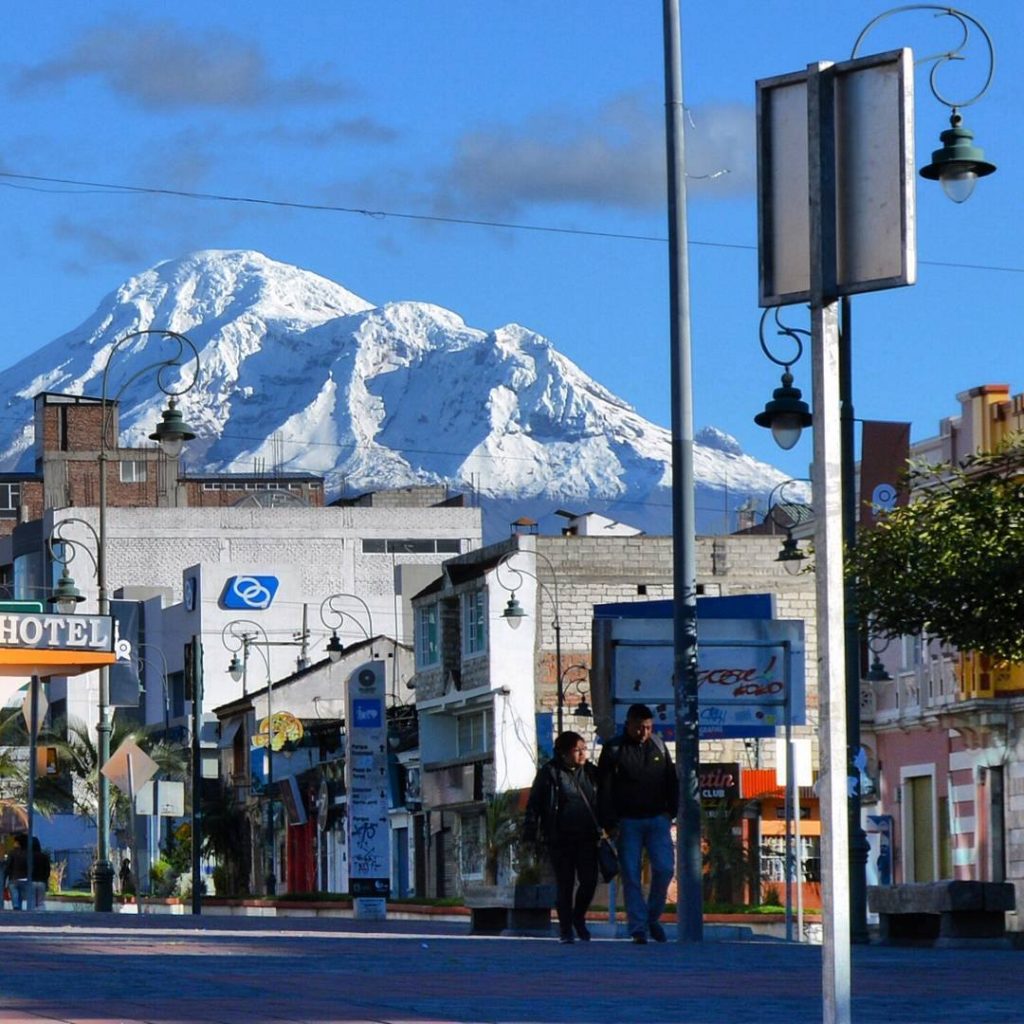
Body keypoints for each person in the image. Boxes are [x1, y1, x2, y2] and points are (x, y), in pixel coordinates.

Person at [597, 703, 678, 944]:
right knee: (631, 875)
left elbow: (671, 781)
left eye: (648, 727)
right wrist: (610, 823)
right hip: (627, 822)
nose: (644, 732)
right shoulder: (613, 749)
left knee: (665, 869)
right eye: (639, 727)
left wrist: (670, 812)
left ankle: (652, 917)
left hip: (657, 820)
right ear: (628, 724)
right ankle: (638, 928)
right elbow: (604, 789)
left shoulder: (659, 746)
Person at [523, 731, 600, 944]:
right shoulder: (549, 773)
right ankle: (566, 929)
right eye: (577, 750)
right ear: (564, 753)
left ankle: (578, 917)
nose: (583, 754)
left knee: (589, 881)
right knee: (565, 884)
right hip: (560, 838)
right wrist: (530, 833)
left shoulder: (592, 773)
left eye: (584, 749)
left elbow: (603, 800)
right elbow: (534, 805)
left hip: (587, 837)